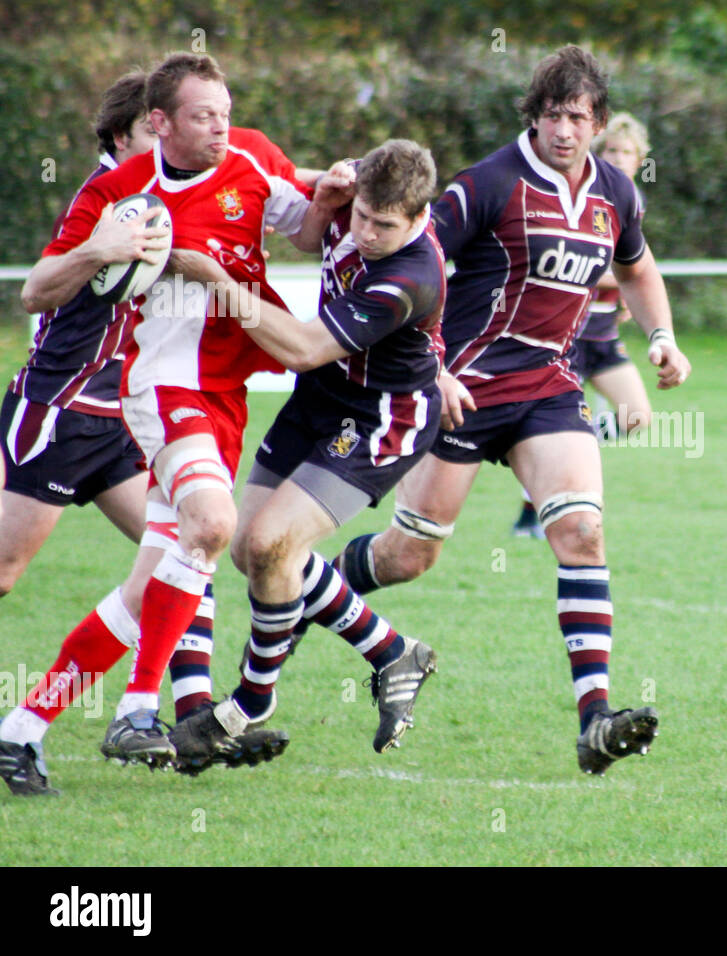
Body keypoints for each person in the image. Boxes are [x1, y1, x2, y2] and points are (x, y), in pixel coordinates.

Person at [326, 46, 691, 776]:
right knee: (410, 556)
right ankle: (305, 591)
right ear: (534, 115)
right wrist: (427, 368)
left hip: (549, 387)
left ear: (597, 121)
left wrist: (663, 337)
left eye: (578, 116)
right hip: (464, 387)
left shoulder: (615, 193)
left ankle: (595, 719)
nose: (564, 129)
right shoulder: (488, 184)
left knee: (583, 531)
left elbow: (638, 267)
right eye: (552, 114)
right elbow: (415, 262)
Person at [8, 52, 336, 786]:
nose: (222, 128)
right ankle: (140, 709)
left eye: (225, 112)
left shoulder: (248, 168)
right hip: (156, 385)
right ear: (159, 123)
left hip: (224, 390)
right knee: (215, 525)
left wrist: (335, 190)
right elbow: (34, 290)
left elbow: (307, 230)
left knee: (154, 579)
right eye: (204, 116)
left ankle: (22, 726)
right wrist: (103, 247)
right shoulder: (121, 191)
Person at [162, 140, 450, 771]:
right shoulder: (356, 198)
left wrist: (217, 281)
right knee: (249, 550)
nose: (367, 233)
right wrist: (325, 200)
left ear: (419, 219)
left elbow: (299, 347)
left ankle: (244, 709)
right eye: (363, 216)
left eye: (385, 225)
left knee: (271, 543)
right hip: (319, 399)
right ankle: (393, 652)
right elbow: (304, 226)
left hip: (380, 418)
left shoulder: (408, 279)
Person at [0, 71, 216, 795]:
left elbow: (251, 162)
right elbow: (36, 289)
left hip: (120, 420)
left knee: (185, 547)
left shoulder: (169, 190)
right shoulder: (105, 196)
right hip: (58, 411)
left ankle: (143, 714)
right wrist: (102, 247)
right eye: (156, 131)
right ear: (129, 135)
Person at [512, 112, 655, 538]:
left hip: (605, 337)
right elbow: (595, 267)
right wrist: (630, 283)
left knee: (636, 416)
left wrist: (629, 294)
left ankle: (580, 439)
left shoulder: (631, 200)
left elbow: (627, 265)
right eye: (610, 149)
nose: (617, 157)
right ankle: (528, 518)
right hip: (568, 339)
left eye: (626, 152)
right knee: (550, 434)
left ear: (639, 158)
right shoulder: (582, 192)